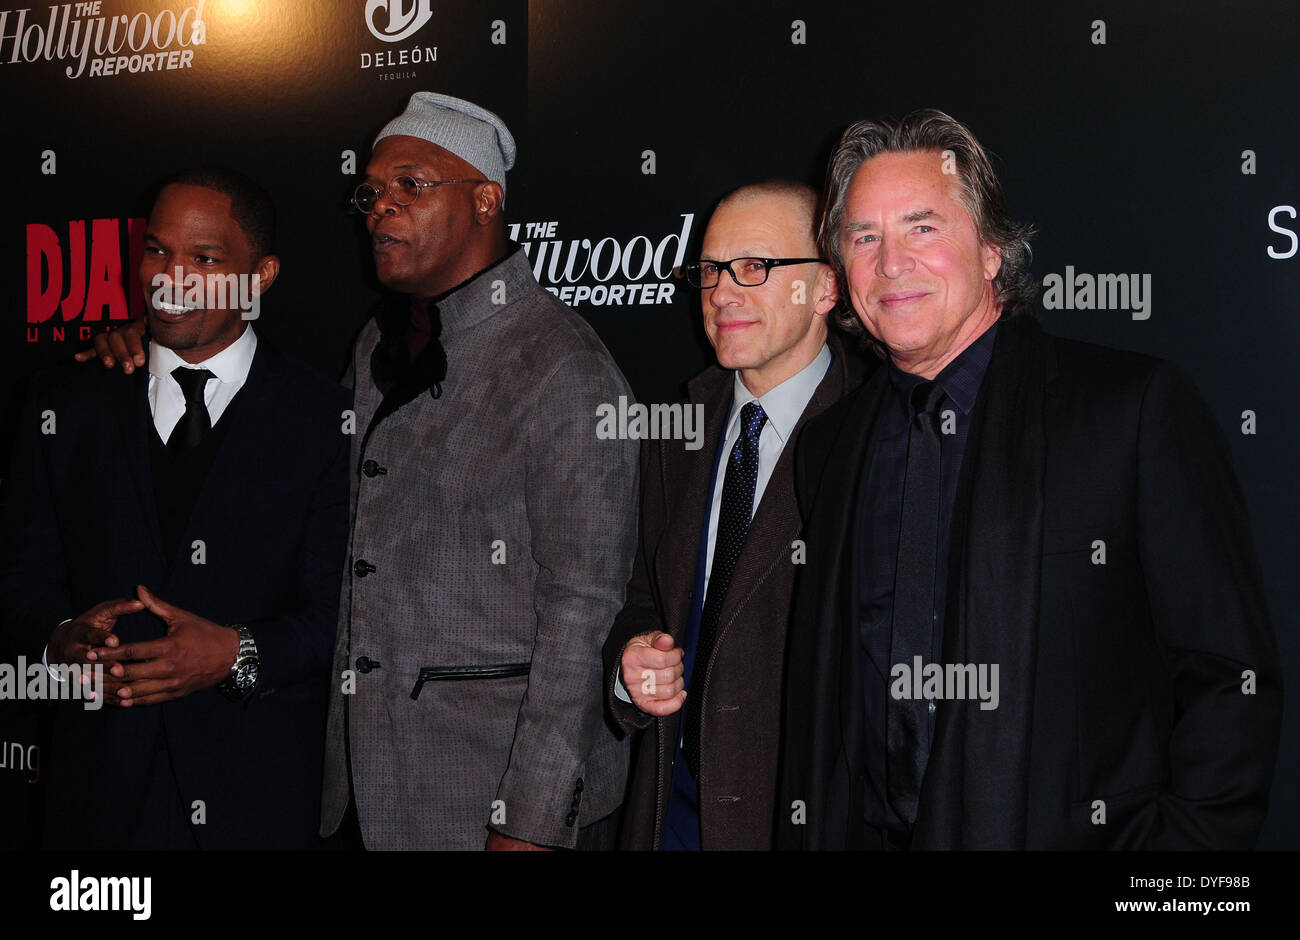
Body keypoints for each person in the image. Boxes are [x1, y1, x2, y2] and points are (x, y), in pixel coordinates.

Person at [777, 110, 1282, 850]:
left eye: (922, 227)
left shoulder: (1128, 411)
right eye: (863, 237)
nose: (890, 263)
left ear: (990, 252)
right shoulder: (830, 447)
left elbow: (1228, 678)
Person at [0, 168, 349, 849]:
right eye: (157, 250)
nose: (170, 277)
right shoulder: (66, 405)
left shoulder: (326, 421)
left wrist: (235, 653)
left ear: (262, 274)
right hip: (94, 805)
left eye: (206, 258)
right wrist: (60, 636)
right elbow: (18, 576)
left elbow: (341, 612)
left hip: (260, 803)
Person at [603, 181, 857, 850]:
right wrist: (633, 662)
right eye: (711, 271)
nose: (721, 293)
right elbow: (640, 600)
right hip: (669, 817)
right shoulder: (676, 430)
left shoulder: (877, 434)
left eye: (756, 267)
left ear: (827, 287)